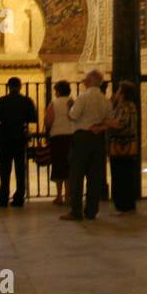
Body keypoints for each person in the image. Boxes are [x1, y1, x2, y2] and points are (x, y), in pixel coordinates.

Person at [62, 69, 109, 221]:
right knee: (94, 176)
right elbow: (109, 119)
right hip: (98, 138)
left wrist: (70, 107)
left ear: (89, 82)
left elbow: (73, 116)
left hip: (82, 138)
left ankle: (76, 211)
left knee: (77, 174)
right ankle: (91, 211)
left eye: (85, 79)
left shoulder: (83, 97)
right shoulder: (104, 99)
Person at [0, 76, 38, 207]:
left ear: (8, 87)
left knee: (4, 170)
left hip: (5, 137)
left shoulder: (2, 100)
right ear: (20, 87)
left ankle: (3, 198)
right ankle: (19, 198)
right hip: (19, 137)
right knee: (20, 169)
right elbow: (33, 118)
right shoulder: (26, 101)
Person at [106, 81, 141, 214]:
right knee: (125, 175)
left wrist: (104, 122)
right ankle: (127, 204)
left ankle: (122, 206)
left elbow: (120, 123)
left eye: (118, 90)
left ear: (122, 93)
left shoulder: (125, 107)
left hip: (121, 144)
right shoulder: (124, 106)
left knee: (120, 176)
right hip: (125, 144)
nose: (116, 93)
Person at [44, 80, 74, 205]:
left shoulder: (54, 103)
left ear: (58, 91)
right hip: (71, 136)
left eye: (55, 90)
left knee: (58, 165)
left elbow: (49, 121)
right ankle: (68, 195)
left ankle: (59, 195)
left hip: (57, 137)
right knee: (69, 166)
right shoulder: (73, 102)